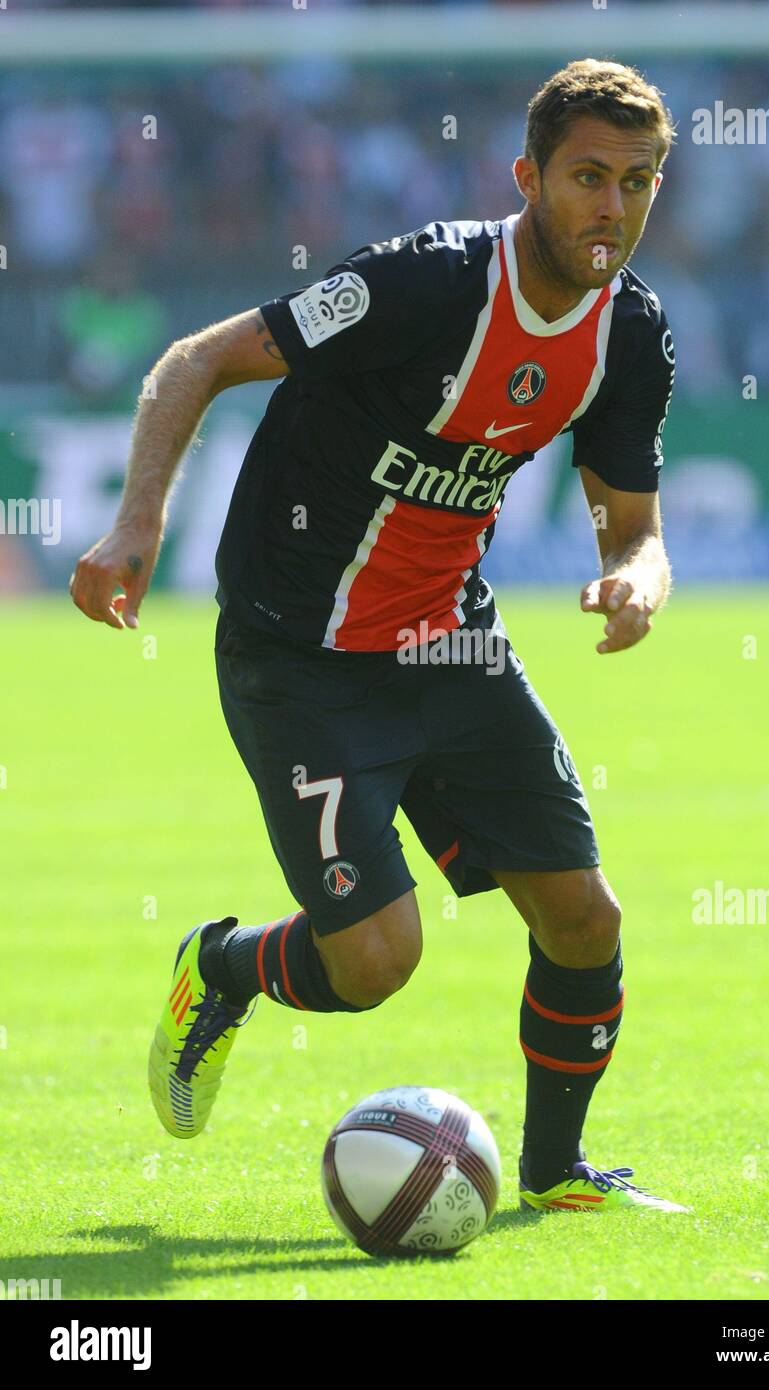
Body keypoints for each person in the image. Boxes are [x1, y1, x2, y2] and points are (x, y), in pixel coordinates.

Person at [71, 58, 687, 1216]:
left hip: (448, 644)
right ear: (528, 178)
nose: (613, 208)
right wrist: (135, 522)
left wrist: (634, 579)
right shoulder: (426, 281)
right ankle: (220, 967)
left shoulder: (630, 336)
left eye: (639, 181)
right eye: (587, 178)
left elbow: (635, 528)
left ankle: (558, 1174)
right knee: (375, 966)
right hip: (297, 656)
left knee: (582, 914)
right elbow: (199, 359)